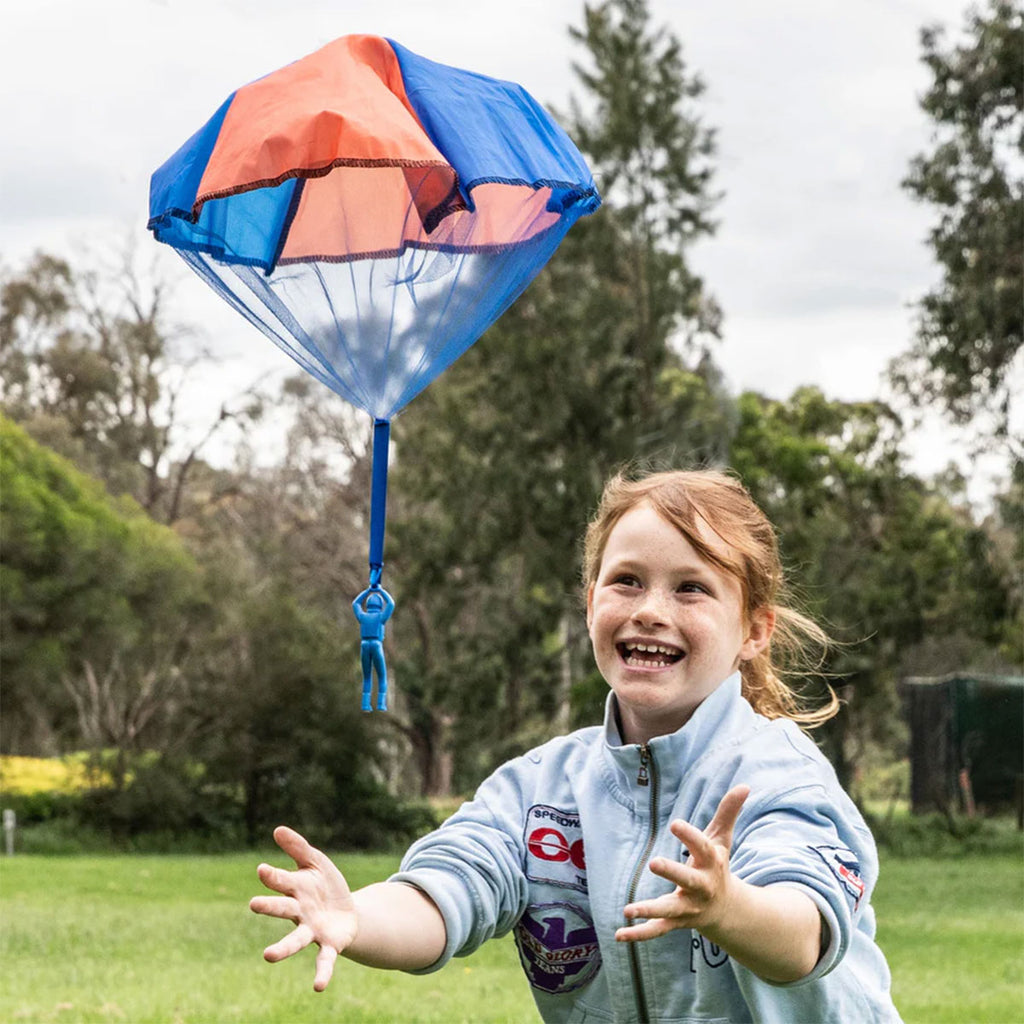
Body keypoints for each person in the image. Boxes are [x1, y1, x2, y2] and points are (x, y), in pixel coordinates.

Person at [251, 469, 902, 1023]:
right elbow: (449, 890)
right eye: (626, 581)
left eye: (691, 587)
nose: (650, 608)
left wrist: (730, 907)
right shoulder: (539, 788)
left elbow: (807, 931)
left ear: (754, 631)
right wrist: (356, 917)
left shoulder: (774, 773)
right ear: (591, 604)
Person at [351, 585, 395, 712]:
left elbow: (355, 603)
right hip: (376, 645)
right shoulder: (381, 617)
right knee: (382, 675)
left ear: (368, 605)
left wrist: (368, 590)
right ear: (380, 606)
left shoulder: (363, 617)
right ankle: (381, 703)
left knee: (367, 676)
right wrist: (380, 590)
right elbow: (391, 604)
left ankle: (365, 704)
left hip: (364, 645)